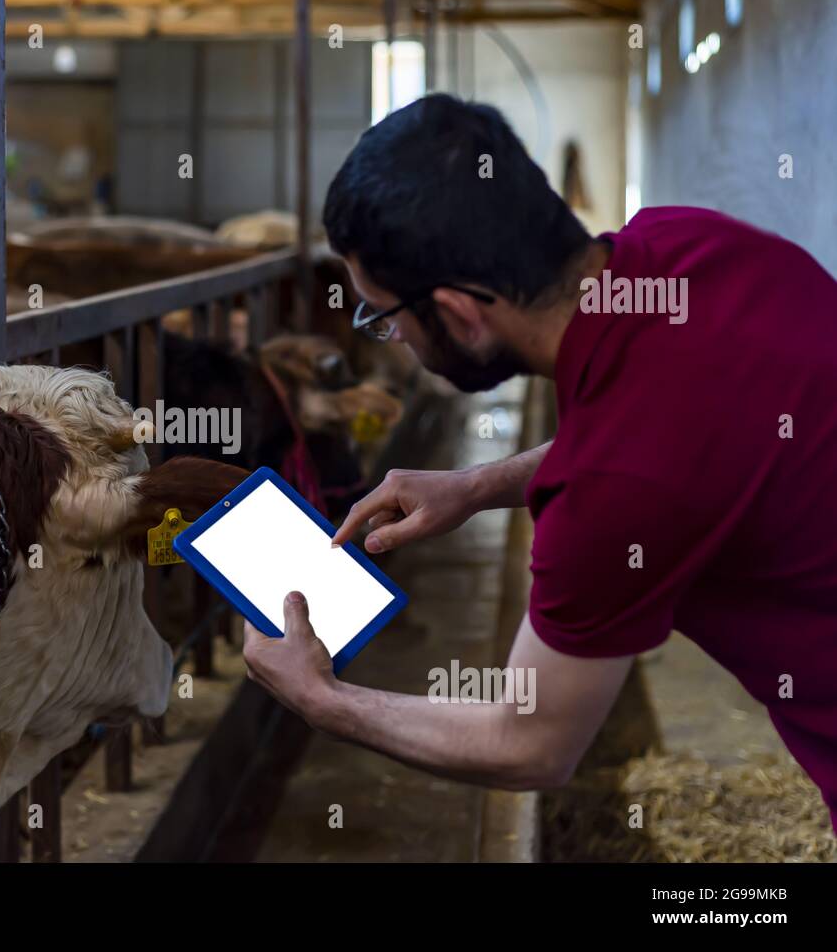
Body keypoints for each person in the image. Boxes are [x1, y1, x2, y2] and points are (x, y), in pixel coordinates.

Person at [241, 93, 837, 827]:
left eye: (383, 315)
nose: (388, 339)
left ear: (459, 314)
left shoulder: (607, 500)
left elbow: (532, 744)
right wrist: (477, 486)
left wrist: (323, 699)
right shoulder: (685, 243)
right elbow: (681, 435)